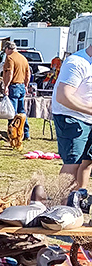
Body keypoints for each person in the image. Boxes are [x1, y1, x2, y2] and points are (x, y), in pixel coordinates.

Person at [51, 41, 92, 190]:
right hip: (71, 117)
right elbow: (63, 97)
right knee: (73, 162)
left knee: (87, 161)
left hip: (88, 118)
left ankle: (77, 201)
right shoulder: (77, 63)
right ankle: (59, 205)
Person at [2, 41, 31, 140]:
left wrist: (6, 86)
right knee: (21, 111)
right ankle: (25, 133)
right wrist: (26, 86)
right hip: (22, 86)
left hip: (13, 86)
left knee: (12, 112)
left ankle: (13, 134)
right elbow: (28, 74)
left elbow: (10, 73)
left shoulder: (10, 58)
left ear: (7, 49)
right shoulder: (23, 58)